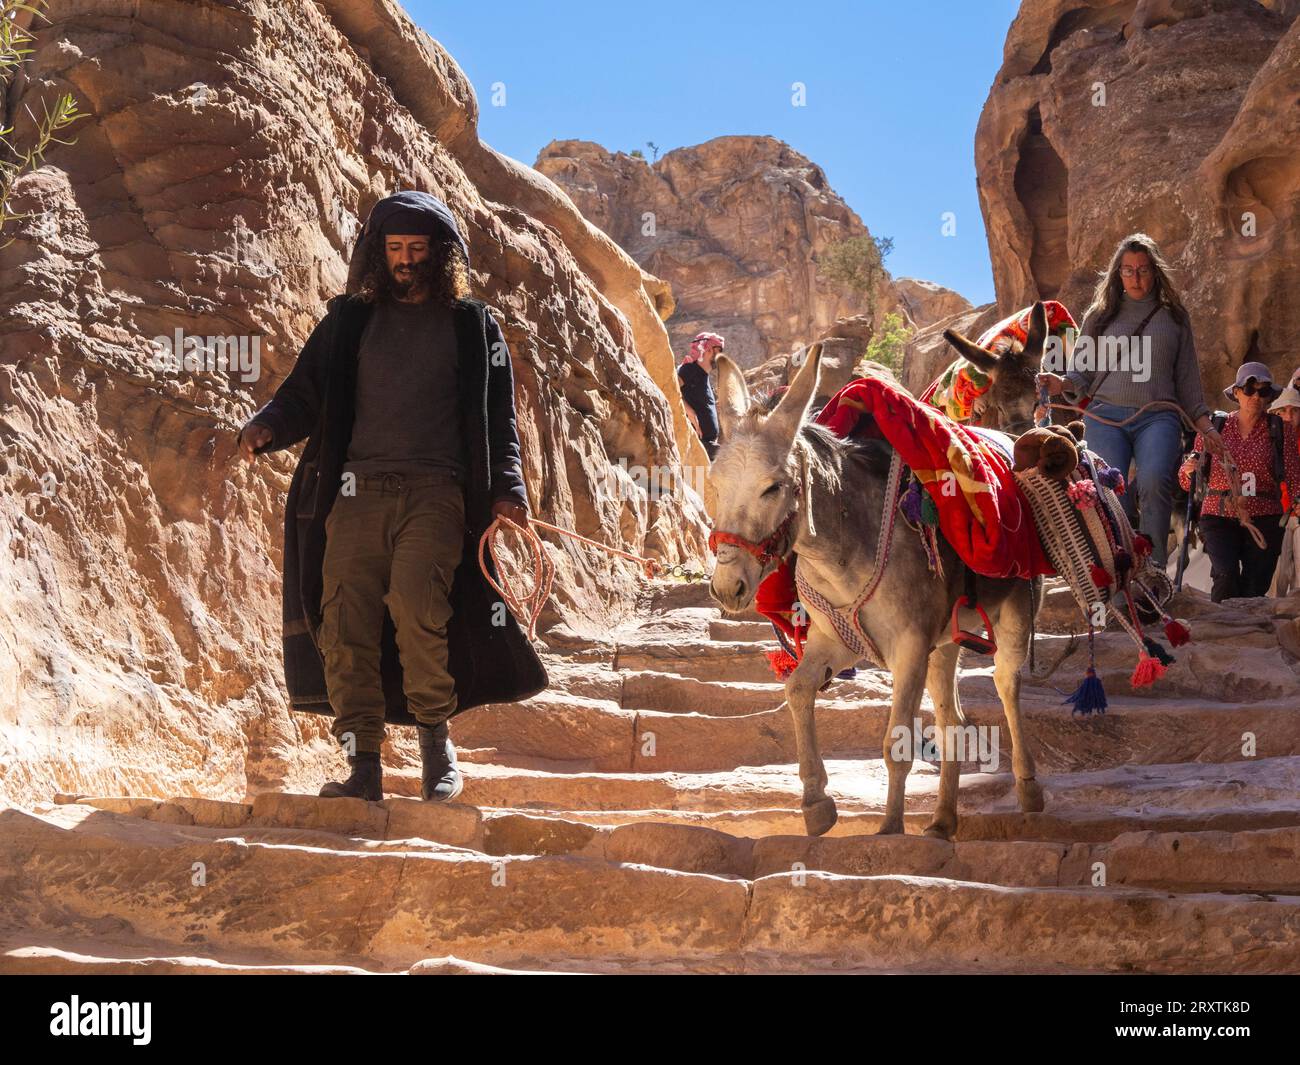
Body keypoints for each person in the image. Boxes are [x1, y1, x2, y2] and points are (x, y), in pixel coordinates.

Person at [236, 191, 547, 802]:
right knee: (344, 621)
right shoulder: (348, 320)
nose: (406, 260)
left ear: (441, 253)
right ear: (378, 253)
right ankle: (363, 768)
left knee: (417, 606)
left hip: (437, 492)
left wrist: (508, 490)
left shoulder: (473, 325)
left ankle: (436, 746)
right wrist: (268, 424)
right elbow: (302, 393)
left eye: (418, 248)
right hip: (353, 493)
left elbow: (498, 420)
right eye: (395, 248)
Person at [1037, 233, 1223, 568]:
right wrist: (1058, 383)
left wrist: (1208, 429)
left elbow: (1189, 386)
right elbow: (1081, 376)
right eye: (1128, 270)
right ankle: (1119, 574)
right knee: (1111, 490)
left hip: (1158, 416)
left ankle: (1153, 572)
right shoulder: (1101, 315)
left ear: (1155, 271)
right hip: (1106, 416)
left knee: (1154, 480)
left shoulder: (1175, 318)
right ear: (1117, 274)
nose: (1136, 278)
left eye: (1143, 269)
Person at [1178, 364, 1300, 602]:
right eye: (1249, 389)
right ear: (1236, 392)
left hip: (1265, 517)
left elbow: (1295, 476)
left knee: (1256, 586)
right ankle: (1218, 633)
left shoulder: (1280, 429)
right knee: (1225, 576)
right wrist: (1188, 471)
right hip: (1218, 515)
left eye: (1263, 392)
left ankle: (1246, 636)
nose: (1255, 396)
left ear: (1269, 397)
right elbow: (1187, 481)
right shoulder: (1215, 427)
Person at [1267, 383, 1300, 596]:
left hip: (1296, 512)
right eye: (1282, 411)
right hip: (1271, 511)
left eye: (1294, 410)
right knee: (1274, 575)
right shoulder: (1264, 440)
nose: (1288, 416)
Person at [677, 332, 724, 460]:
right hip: (696, 446)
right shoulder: (689, 369)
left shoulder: (704, 376)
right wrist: (688, 411)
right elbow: (669, 388)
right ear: (708, 350)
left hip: (707, 446)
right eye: (719, 351)